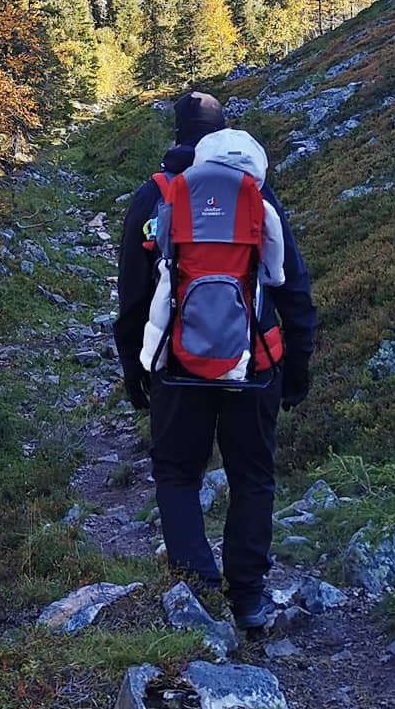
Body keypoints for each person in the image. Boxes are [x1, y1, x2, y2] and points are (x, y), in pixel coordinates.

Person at [115, 91, 318, 630]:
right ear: (223, 132)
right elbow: (293, 289)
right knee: (251, 475)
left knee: (177, 472)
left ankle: (197, 587)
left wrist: (135, 369)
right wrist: (294, 369)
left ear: (177, 133)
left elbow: (133, 298)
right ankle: (248, 598)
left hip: (177, 368)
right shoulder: (256, 195)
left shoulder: (156, 198)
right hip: (253, 366)